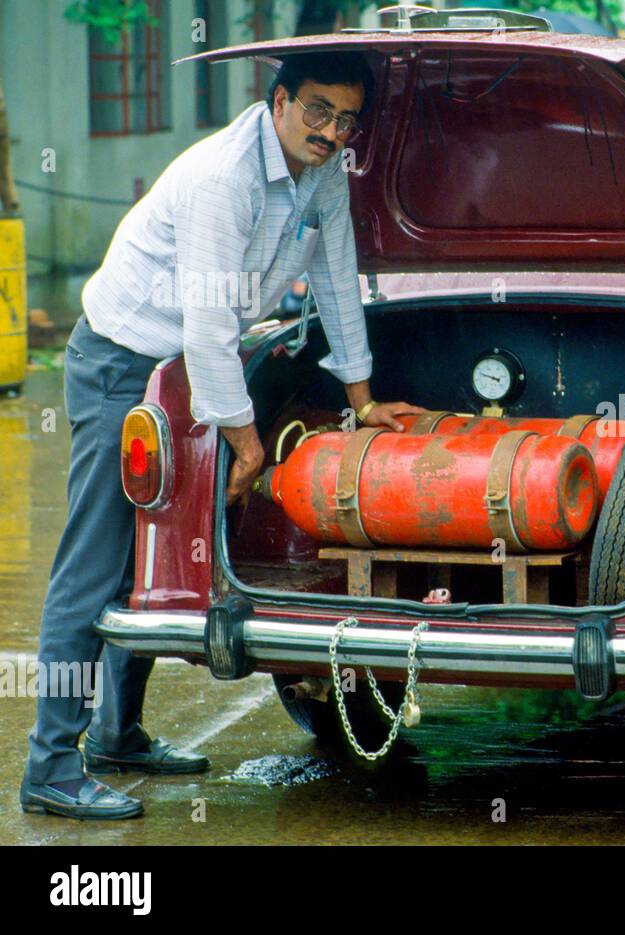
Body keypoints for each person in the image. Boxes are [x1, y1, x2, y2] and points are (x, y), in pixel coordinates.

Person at [20, 52, 427, 820]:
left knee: (149, 560)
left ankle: (117, 733)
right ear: (278, 101)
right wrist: (246, 448)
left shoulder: (322, 171)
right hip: (122, 364)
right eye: (316, 111)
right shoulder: (223, 180)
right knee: (97, 564)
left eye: (345, 119)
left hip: (183, 361)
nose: (331, 131)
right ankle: (48, 767)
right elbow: (209, 328)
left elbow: (338, 279)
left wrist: (363, 397)